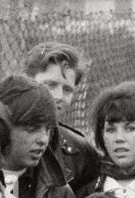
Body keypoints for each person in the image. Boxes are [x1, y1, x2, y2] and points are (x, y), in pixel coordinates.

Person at [73, 81, 135, 198]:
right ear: (102, 136)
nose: (119, 138)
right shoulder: (84, 194)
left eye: (130, 128)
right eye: (111, 130)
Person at [23, 42, 101, 190]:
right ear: (27, 81)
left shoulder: (81, 153)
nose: (58, 96)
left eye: (67, 89)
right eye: (50, 85)